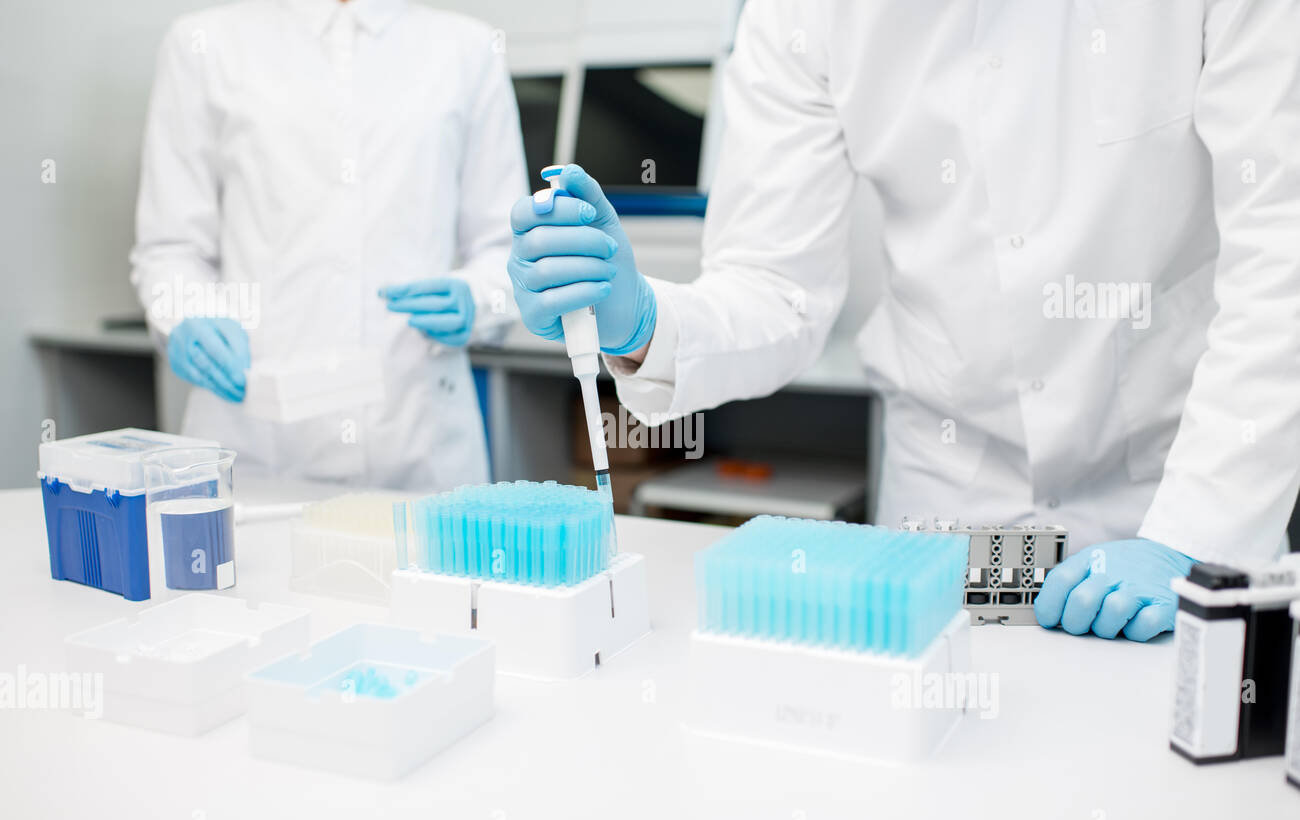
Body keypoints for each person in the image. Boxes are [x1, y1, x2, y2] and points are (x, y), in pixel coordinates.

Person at [507, 0, 1300, 641]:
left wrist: (1191, 537)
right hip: (951, 506)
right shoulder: (802, 16)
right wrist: (643, 321)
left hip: (1173, 490)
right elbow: (776, 285)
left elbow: (1283, 253)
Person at [131, 0, 526, 490]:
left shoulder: (467, 50)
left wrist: (477, 296)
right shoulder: (204, 45)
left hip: (418, 444)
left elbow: (506, 246)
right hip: (255, 443)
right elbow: (171, 247)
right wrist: (187, 314)